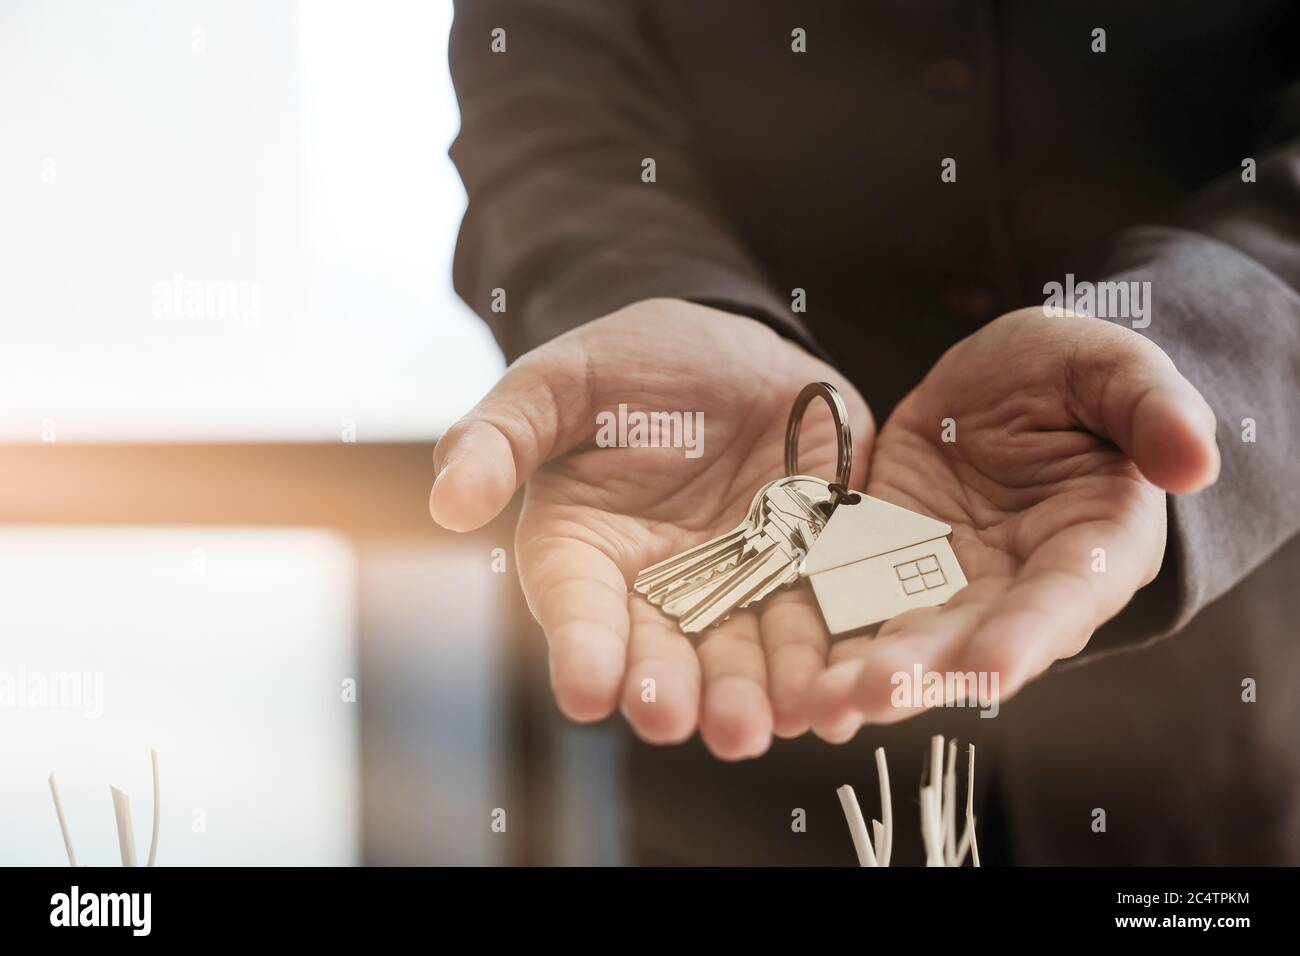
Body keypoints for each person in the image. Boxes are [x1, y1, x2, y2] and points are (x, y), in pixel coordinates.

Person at [430, 1, 1300, 864]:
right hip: (750, 747)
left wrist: (1177, 344)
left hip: (1206, 732)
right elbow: (548, 106)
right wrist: (664, 295)